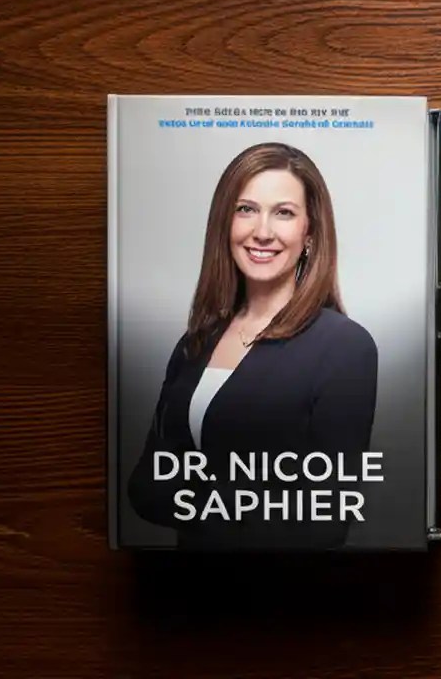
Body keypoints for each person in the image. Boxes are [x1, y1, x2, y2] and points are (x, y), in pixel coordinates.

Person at [127, 142, 378, 550]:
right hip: (187, 597)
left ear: (309, 233)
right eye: (246, 209)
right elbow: (143, 488)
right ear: (225, 223)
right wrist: (252, 501)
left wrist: (197, 497)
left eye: (284, 212)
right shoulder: (197, 343)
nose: (262, 231)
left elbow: (327, 517)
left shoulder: (344, 347)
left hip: (282, 600)